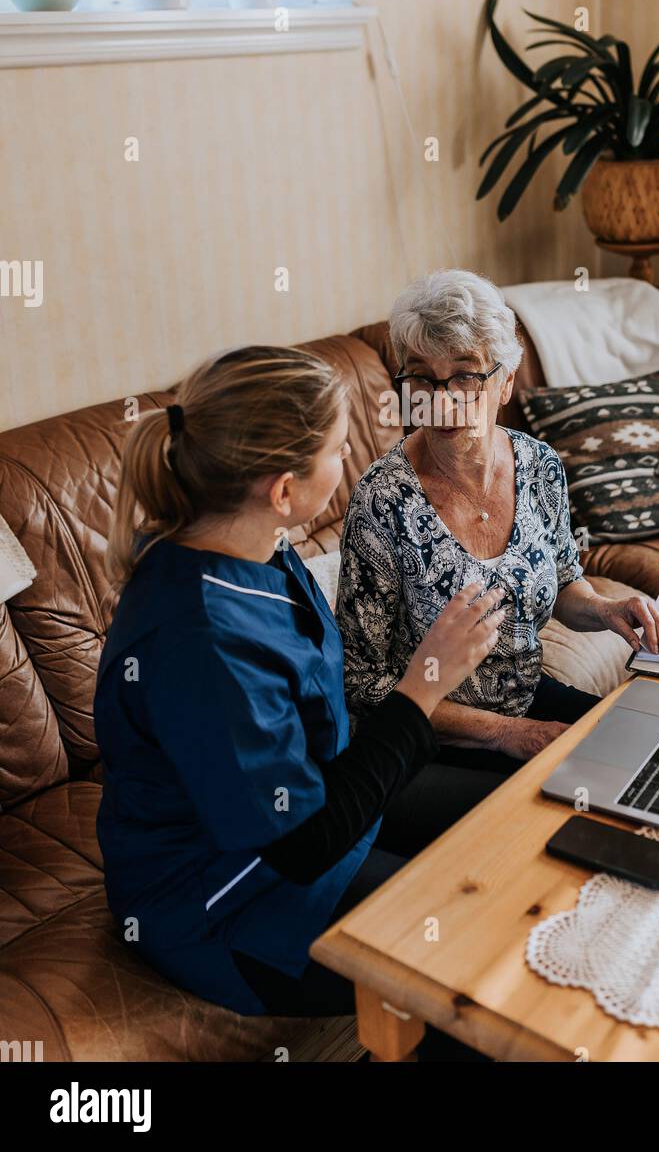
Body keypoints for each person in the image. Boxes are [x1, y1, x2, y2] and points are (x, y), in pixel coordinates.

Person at [94, 344, 505, 1054]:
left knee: (514, 815)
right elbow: (302, 845)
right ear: (283, 490)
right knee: (467, 955)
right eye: (340, 449)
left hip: (319, 796)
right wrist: (424, 686)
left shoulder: (258, 546)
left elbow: (319, 717)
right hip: (234, 898)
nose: (351, 462)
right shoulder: (200, 640)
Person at [337, 270, 659, 775]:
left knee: (656, 752)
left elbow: (562, 581)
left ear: (505, 382)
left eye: (465, 375)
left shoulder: (538, 465)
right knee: (572, 806)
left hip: (523, 695)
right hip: (433, 739)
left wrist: (605, 609)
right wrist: (505, 734)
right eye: (422, 378)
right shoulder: (383, 501)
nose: (442, 400)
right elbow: (362, 684)